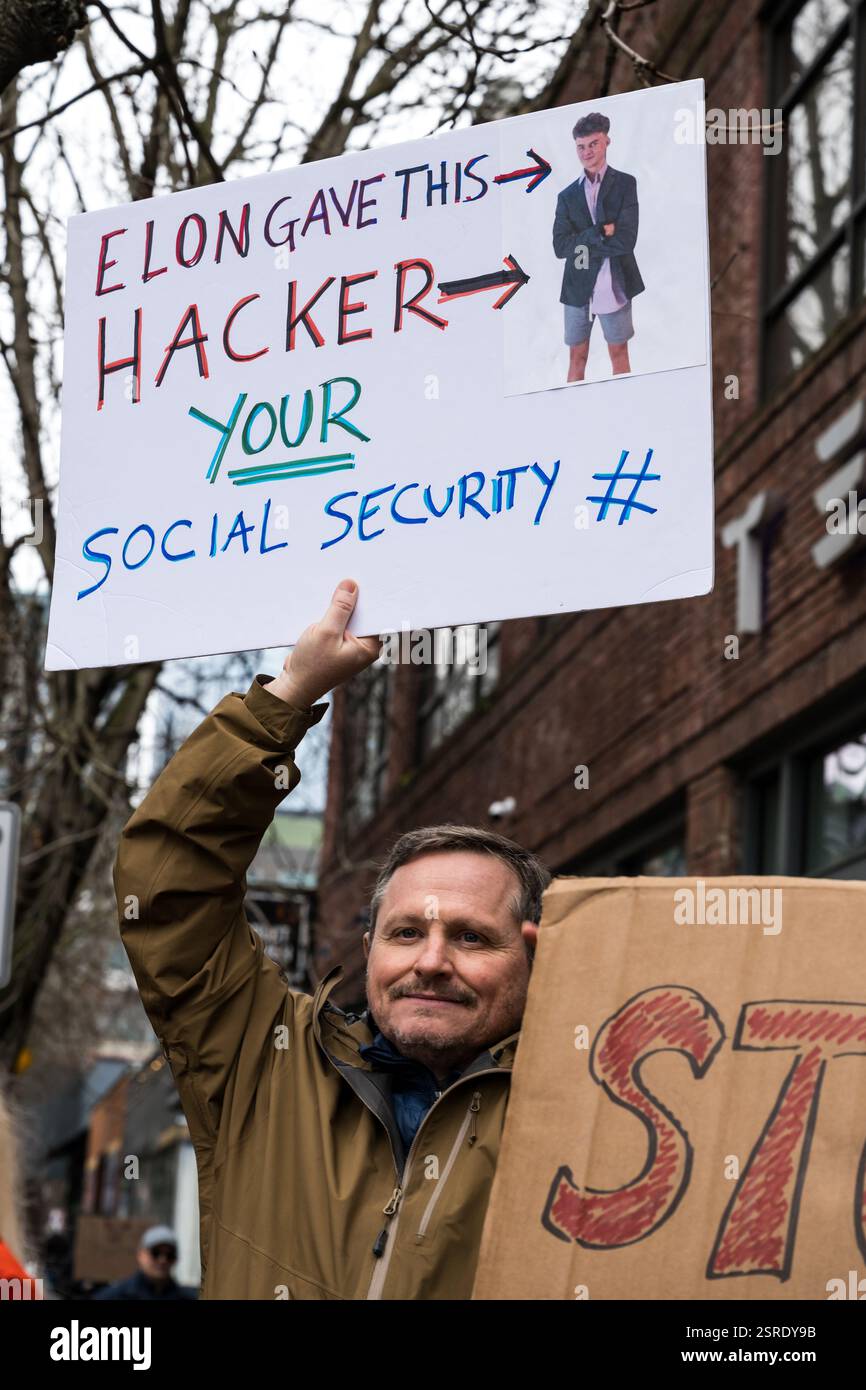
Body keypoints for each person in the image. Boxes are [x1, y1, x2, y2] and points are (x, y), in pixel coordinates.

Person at [114, 579, 551, 1300]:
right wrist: (288, 693)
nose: (431, 962)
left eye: (472, 938)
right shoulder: (262, 1069)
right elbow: (165, 889)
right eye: (407, 932)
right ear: (372, 944)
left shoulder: (583, 1109)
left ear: (532, 953)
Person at [552, 110, 645, 383]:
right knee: (576, 359)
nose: (587, 152)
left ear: (606, 142)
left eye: (593, 144)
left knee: (619, 355)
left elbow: (627, 240)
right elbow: (560, 247)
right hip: (577, 287)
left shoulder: (625, 184)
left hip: (614, 283)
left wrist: (582, 243)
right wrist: (598, 233)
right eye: (581, 146)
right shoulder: (567, 196)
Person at [92, 1225, 196, 1300]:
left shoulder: (186, 1297)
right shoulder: (113, 1296)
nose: (162, 1260)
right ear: (141, 1255)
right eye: (155, 1253)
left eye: (170, 1255)